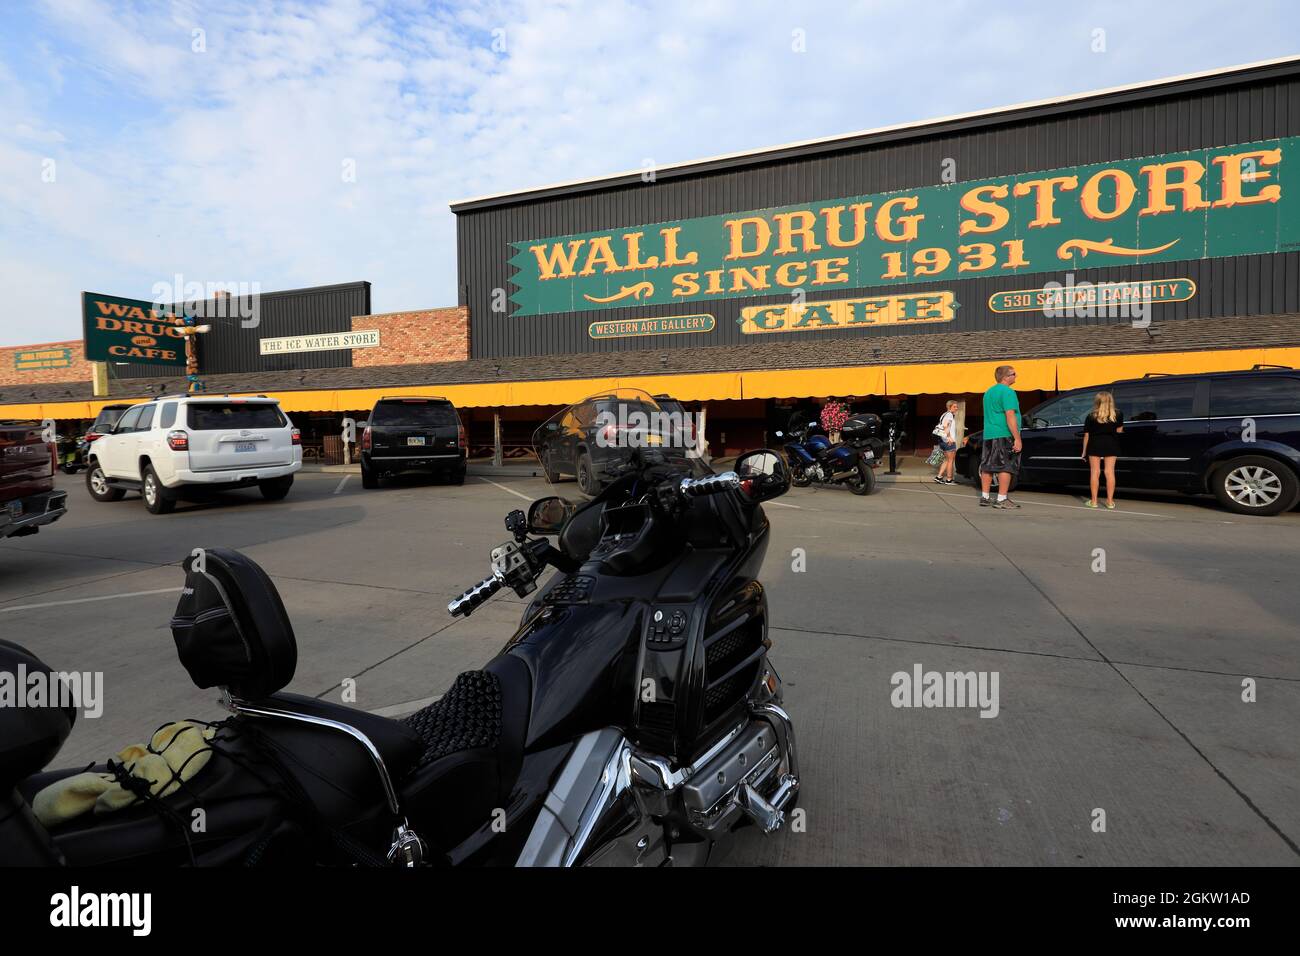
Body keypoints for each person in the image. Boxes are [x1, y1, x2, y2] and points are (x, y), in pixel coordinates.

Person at [979, 365, 1021, 509]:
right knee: (1006, 466)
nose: (1016, 376)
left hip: (989, 434)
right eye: (1014, 374)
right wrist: (1017, 438)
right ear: (1005, 377)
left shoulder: (988, 392)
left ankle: (985, 496)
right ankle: (1002, 499)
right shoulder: (1008, 392)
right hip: (1004, 433)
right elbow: (1010, 415)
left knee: (988, 466)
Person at [1082, 391, 1124, 509]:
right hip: (1111, 444)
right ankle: (1110, 502)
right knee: (1109, 472)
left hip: (1094, 444)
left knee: (1095, 472)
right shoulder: (1118, 414)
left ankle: (1094, 501)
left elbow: (1087, 436)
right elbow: (1119, 431)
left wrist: (1084, 451)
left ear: (1097, 402)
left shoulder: (1091, 416)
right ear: (1111, 401)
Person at [932, 400, 959, 484]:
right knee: (951, 460)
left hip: (942, 440)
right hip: (948, 441)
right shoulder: (950, 415)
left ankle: (939, 477)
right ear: (949, 407)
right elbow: (945, 427)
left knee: (946, 460)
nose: (956, 408)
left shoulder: (944, 414)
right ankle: (949, 479)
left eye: (957, 406)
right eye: (954, 407)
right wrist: (949, 438)